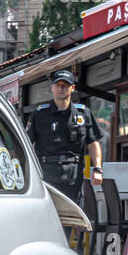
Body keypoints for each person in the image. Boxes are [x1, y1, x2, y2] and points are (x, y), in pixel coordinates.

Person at [27, 69, 104, 202]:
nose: (61, 89)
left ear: (72, 88)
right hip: (46, 175)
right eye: (58, 85)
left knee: (74, 218)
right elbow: (27, 144)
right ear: (52, 87)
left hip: (73, 177)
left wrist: (97, 169)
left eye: (65, 85)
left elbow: (93, 142)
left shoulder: (83, 113)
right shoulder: (40, 114)